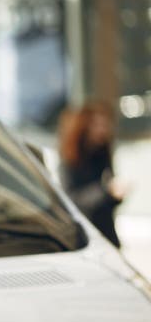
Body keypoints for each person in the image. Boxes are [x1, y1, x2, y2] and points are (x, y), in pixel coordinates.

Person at [58, 100, 125, 247]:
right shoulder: (70, 158)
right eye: (97, 125)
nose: (102, 130)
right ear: (84, 127)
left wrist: (115, 194)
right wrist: (105, 191)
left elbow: (107, 200)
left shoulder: (102, 153)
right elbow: (72, 200)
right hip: (83, 235)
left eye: (105, 125)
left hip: (106, 232)